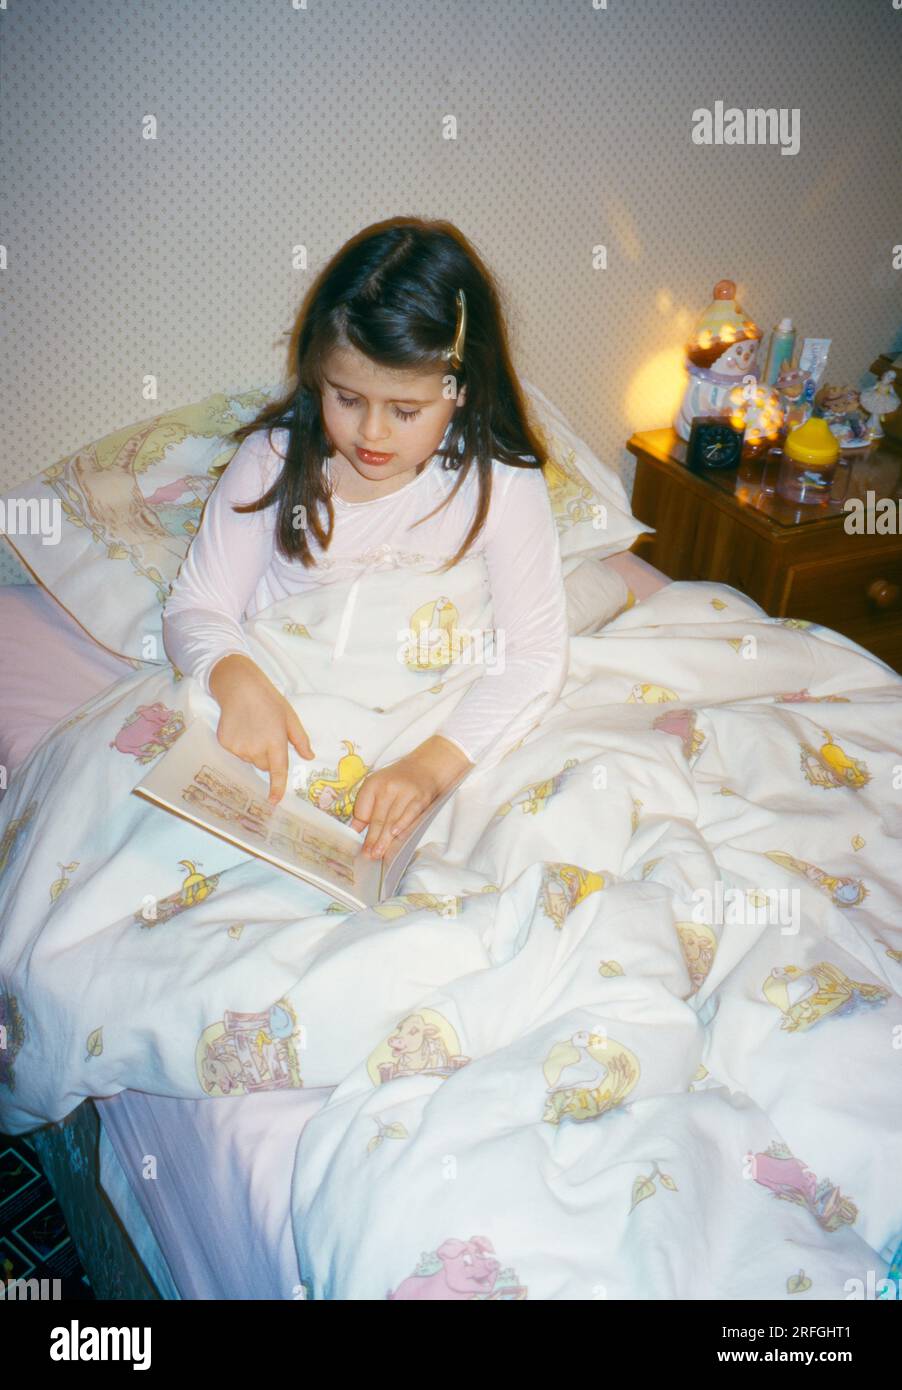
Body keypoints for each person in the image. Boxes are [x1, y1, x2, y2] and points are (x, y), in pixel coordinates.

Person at [162, 217, 570, 862]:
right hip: (287, 710)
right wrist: (232, 675)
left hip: (431, 725)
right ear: (315, 374)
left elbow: (533, 655)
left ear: (460, 391)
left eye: (405, 411)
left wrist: (431, 768)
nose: (373, 433)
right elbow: (198, 606)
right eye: (347, 399)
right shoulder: (272, 461)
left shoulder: (501, 483)